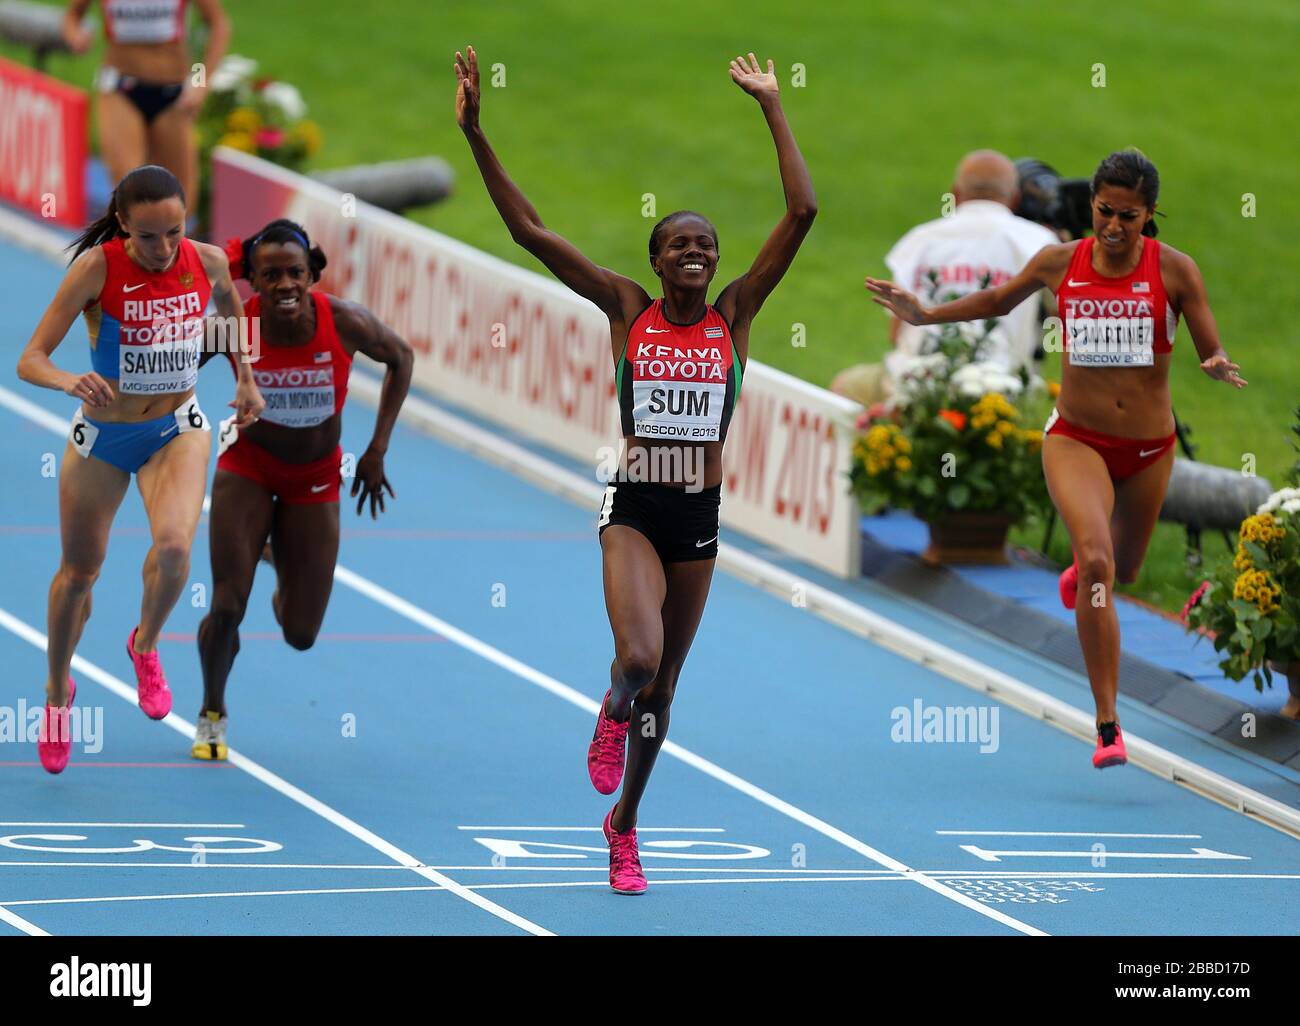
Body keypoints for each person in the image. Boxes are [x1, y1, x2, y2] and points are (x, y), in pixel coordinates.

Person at [457, 45, 815, 893]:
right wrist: (476, 132)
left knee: (668, 689)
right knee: (638, 663)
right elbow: (529, 233)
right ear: (656, 263)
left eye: (707, 245)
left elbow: (801, 212)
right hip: (636, 508)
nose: (695, 252)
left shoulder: (737, 311)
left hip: (701, 518)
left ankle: (624, 825)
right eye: (679, 244)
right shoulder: (625, 307)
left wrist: (771, 104)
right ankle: (611, 709)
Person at [866, 150, 1246, 770]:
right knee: (1098, 564)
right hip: (1077, 438)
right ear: (1091, 204)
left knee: (1123, 567)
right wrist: (927, 312)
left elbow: (1208, 340)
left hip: (1150, 448)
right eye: (1104, 212)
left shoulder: (1175, 271)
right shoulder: (1056, 262)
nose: (1115, 226)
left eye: (1129, 215)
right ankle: (1107, 724)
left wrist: (1214, 360)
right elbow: (995, 302)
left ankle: (1083, 572)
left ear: (1150, 215)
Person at [16, 164, 263, 774]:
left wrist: (248, 382)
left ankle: (145, 644)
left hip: (176, 429)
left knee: (177, 549)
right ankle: (56, 692)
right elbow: (30, 359)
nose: (164, 249)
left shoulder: (204, 261)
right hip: (104, 436)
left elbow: (231, 318)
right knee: (78, 576)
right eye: (149, 236)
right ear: (123, 224)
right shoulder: (97, 268)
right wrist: (70, 379)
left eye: (175, 231)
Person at [192, 220, 413, 761]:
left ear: (312, 273)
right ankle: (213, 713)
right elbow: (174, 369)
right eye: (270, 275)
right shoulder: (236, 327)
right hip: (247, 467)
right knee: (226, 604)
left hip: (315, 478)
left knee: (300, 633)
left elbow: (401, 358)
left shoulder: (345, 322)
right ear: (252, 280)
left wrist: (377, 449)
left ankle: (272, 554)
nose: (285, 285)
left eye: (295, 273)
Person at [835, 150, 1057, 406]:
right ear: (1015, 198)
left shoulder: (920, 239)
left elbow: (896, 334)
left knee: (844, 387)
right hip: (1002, 390)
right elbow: (1062, 318)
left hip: (912, 384)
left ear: (955, 193)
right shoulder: (1040, 242)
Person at [61, 0, 231, 217]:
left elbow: (218, 24)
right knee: (132, 194)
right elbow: (72, 15)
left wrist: (200, 82)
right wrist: (76, 36)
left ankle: (161, 248)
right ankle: (127, 244)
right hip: (120, 89)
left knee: (181, 204)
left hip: (173, 95)